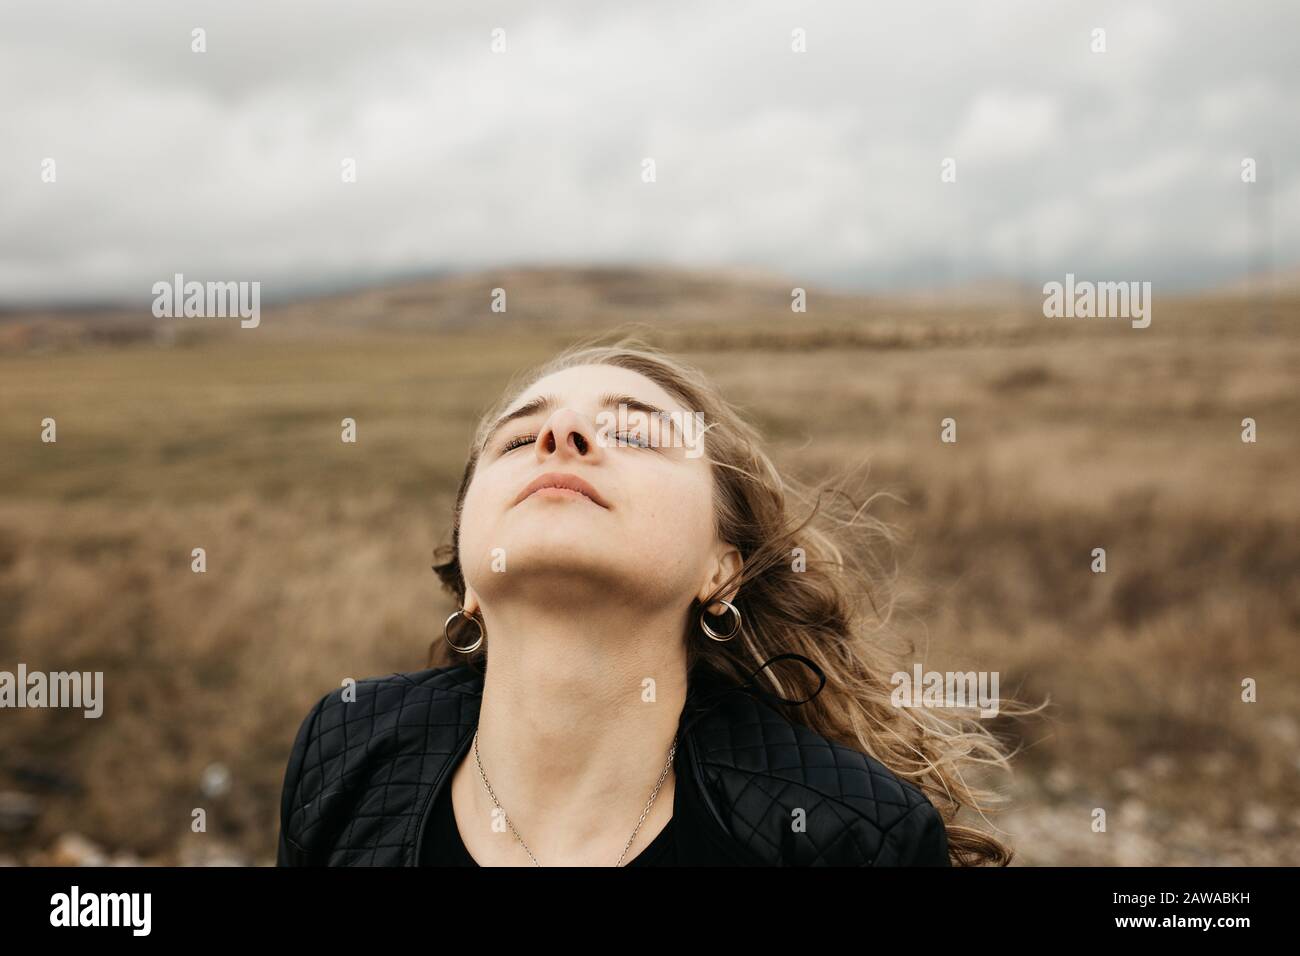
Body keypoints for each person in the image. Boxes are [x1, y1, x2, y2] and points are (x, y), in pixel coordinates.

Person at [277, 335, 1018, 866]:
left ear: (721, 570)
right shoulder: (347, 749)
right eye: (516, 439)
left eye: (633, 432)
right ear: (468, 575)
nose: (560, 435)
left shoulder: (847, 835)